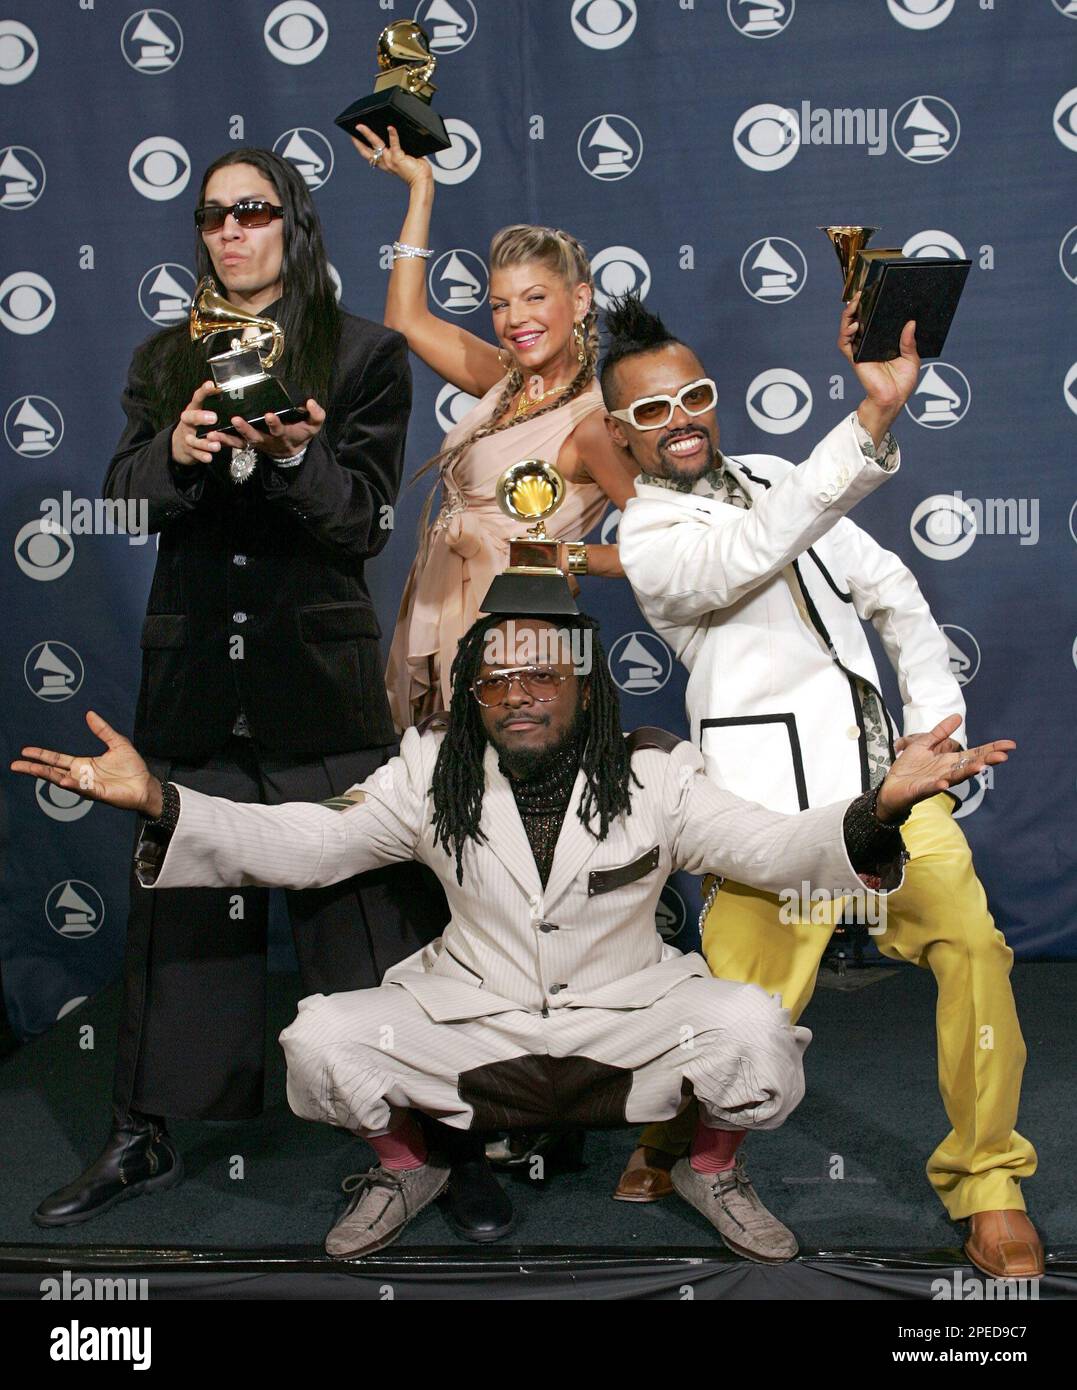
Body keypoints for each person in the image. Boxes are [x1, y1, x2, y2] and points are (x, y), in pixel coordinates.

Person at [12, 583, 1016, 1259]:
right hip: (473, 1019)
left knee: (753, 1029)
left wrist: (880, 806)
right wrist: (163, 804)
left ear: (584, 683)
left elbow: (773, 849)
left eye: (544, 673)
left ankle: (710, 1168)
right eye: (498, 676)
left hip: (627, 1019)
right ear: (474, 689)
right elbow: (310, 844)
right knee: (320, 1039)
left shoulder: (657, 771)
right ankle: (406, 1169)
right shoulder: (424, 773)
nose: (520, 693)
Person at [30, 147, 449, 1232]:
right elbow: (125, 498)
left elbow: (361, 520)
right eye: (213, 215)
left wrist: (293, 457)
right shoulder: (165, 358)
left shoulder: (364, 355)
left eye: (253, 210)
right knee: (180, 923)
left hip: (318, 685)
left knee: (364, 926)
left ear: (292, 224)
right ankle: (144, 1134)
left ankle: (421, 1144)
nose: (231, 230)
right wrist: (173, 449)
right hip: (196, 692)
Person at [605, 292, 1042, 1279]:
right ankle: (681, 1140)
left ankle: (989, 1180)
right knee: (739, 1017)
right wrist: (871, 424)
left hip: (889, 790)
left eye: (695, 396)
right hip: (767, 817)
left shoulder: (771, 473)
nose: (680, 419)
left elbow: (892, 594)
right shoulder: (649, 540)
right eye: (650, 410)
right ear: (620, 434)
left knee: (974, 945)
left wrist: (933, 726)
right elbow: (756, 549)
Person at [348, 123, 639, 728]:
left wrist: (572, 560)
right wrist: (421, 189)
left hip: (519, 637)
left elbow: (664, 543)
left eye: (535, 299)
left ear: (580, 302)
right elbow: (404, 318)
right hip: (438, 605)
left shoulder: (594, 423)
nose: (515, 320)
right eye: (501, 304)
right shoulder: (505, 378)